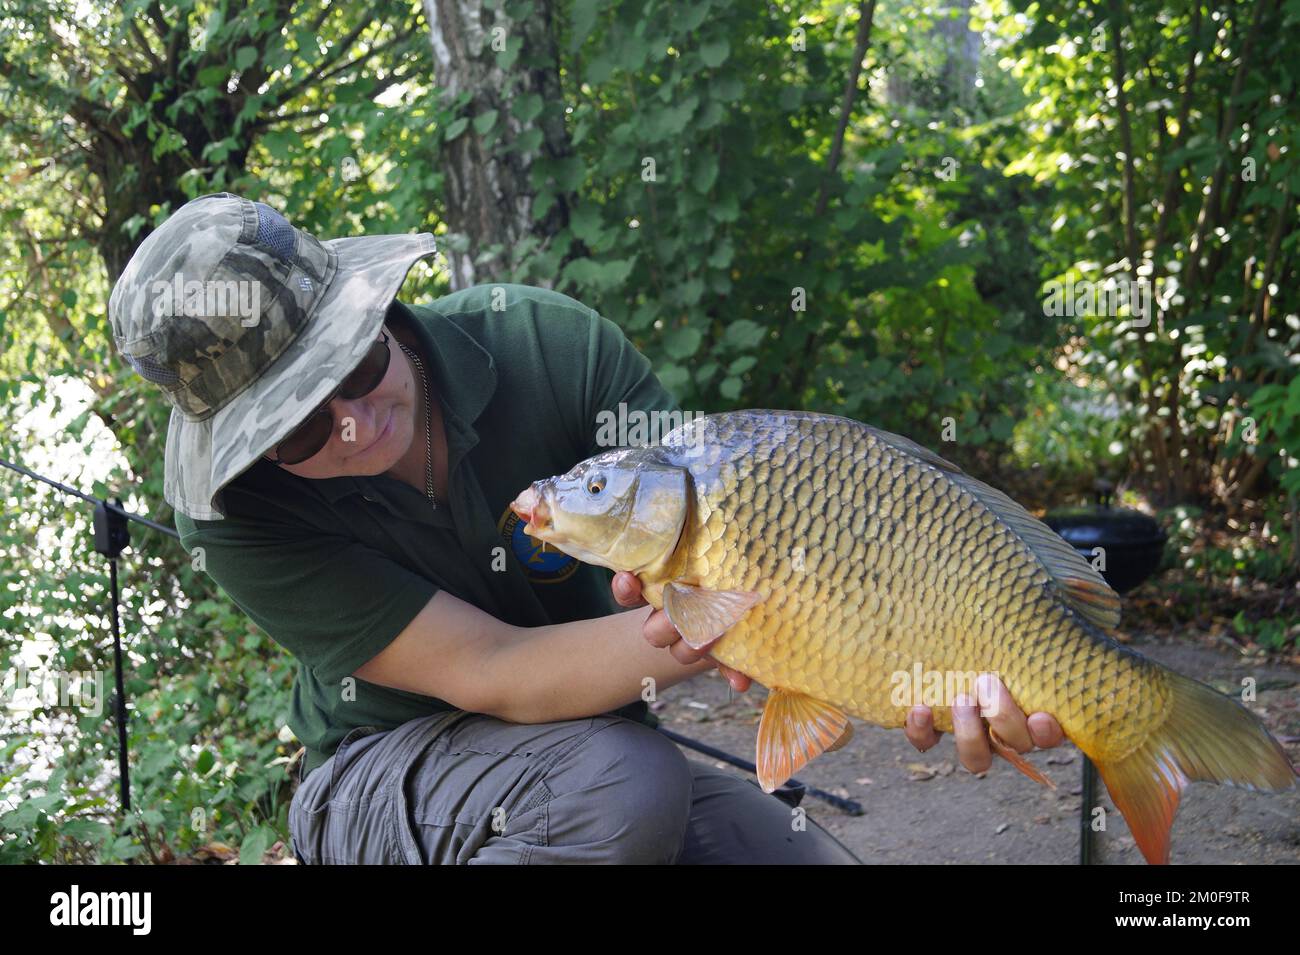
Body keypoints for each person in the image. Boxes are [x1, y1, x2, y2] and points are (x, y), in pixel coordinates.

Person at [108, 192, 1066, 864]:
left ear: (374, 316)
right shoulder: (238, 516)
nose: (353, 423)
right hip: (378, 774)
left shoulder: (542, 342)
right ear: (253, 448)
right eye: (303, 426)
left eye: (351, 372)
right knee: (625, 786)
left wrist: (915, 645)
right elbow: (494, 672)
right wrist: (755, 623)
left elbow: (741, 523)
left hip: (590, 748)